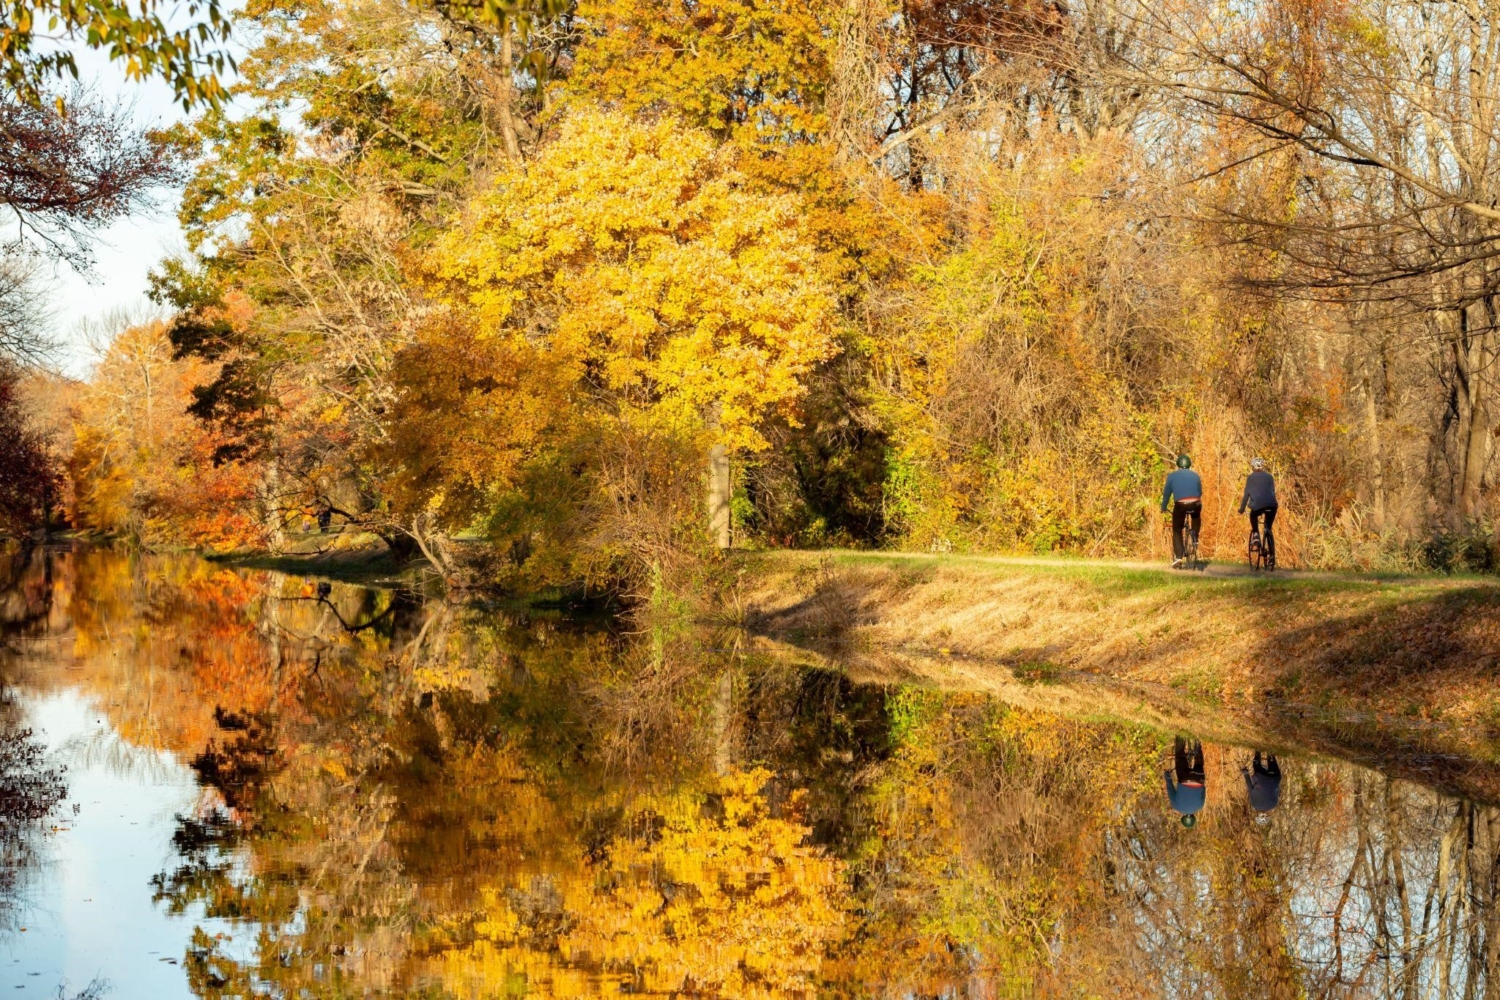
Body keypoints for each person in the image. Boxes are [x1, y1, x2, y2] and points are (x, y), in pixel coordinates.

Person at [1161, 454, 1203, 568]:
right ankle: (1195, 537)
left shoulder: (1172, 476)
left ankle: (1179, 557)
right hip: (1195, 503)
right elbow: (1200, 492)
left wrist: (1163, 507)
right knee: (1196, 517)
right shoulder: (1195, 475)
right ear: (1189, 464)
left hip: (1180, 505)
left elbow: (1166, 494)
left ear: (1178, 465)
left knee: (1177, 529)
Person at [1239, 457, 1279, 566]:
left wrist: (1241, 509)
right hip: (1272, 505)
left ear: (1252, 467)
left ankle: (1256, 535)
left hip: (1257, 506)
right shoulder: (1270, 477)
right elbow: (1272, 492)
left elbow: (1246, 495)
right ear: (1263, 467)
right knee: (1268, 528)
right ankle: (1271, 556)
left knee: (1253, 516)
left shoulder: (1250, 478)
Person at [1164, 736, 1206, 827]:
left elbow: (1204, 789)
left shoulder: (1200, 806)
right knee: (1179, 755)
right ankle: (1180, 737)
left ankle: (1197, 745)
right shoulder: (1176, 806)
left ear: (1194, 817)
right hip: (1184, 778)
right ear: (1182, 817)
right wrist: (1167, 775)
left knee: (1199, 764)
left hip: (1199, 779)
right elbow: (1170, 787)